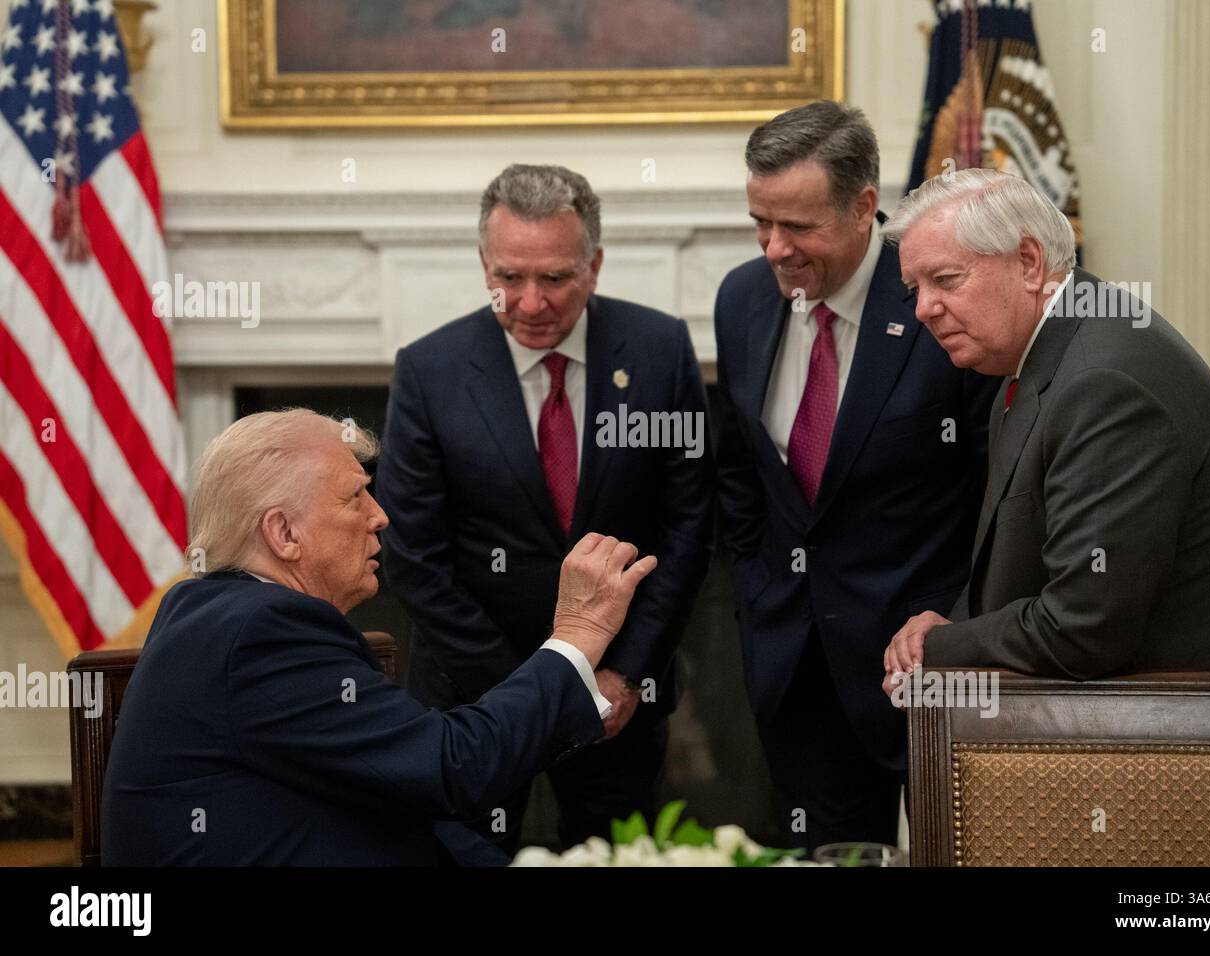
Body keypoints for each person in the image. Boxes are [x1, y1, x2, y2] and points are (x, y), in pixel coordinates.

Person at [880, 167, 1210, 849]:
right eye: (914, 288)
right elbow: (1026, 559)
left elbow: (1083, 625)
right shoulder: (1053, 349)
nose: (923, 308)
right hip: (1135, 764)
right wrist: (954, 623)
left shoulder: (1103, 379)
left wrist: (939, 643)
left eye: (945, 280)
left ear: (1028, 261)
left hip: (1190, 784)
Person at [101, 409, 656, 865]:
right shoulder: (261, 632)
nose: (381, 516)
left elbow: (400, 800)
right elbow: (452, 767)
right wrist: (580, 633)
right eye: (355, 498)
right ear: (284, 532)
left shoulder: (224, 611)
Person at [377, 164, 714, 853]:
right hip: (472, 702)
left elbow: (688, 528)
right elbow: (414, 555)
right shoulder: (429, 370)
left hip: (619, 697)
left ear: (594, 264)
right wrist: (535, 697)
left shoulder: (659, 352)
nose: (530, 302)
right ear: (483, 265)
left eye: (555, 278)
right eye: (508, 277)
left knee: (616, 859)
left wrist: (620, 677)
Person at [713, 101, 1000, 852]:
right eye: (760, 223)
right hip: (795, 663)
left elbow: (998, 490)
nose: (775, 249)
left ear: (865, 207)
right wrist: (756, 584)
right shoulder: (741, 299)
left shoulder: (940, 301)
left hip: (929, 663)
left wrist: (963, 621)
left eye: (799, 227)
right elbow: (742, 471)